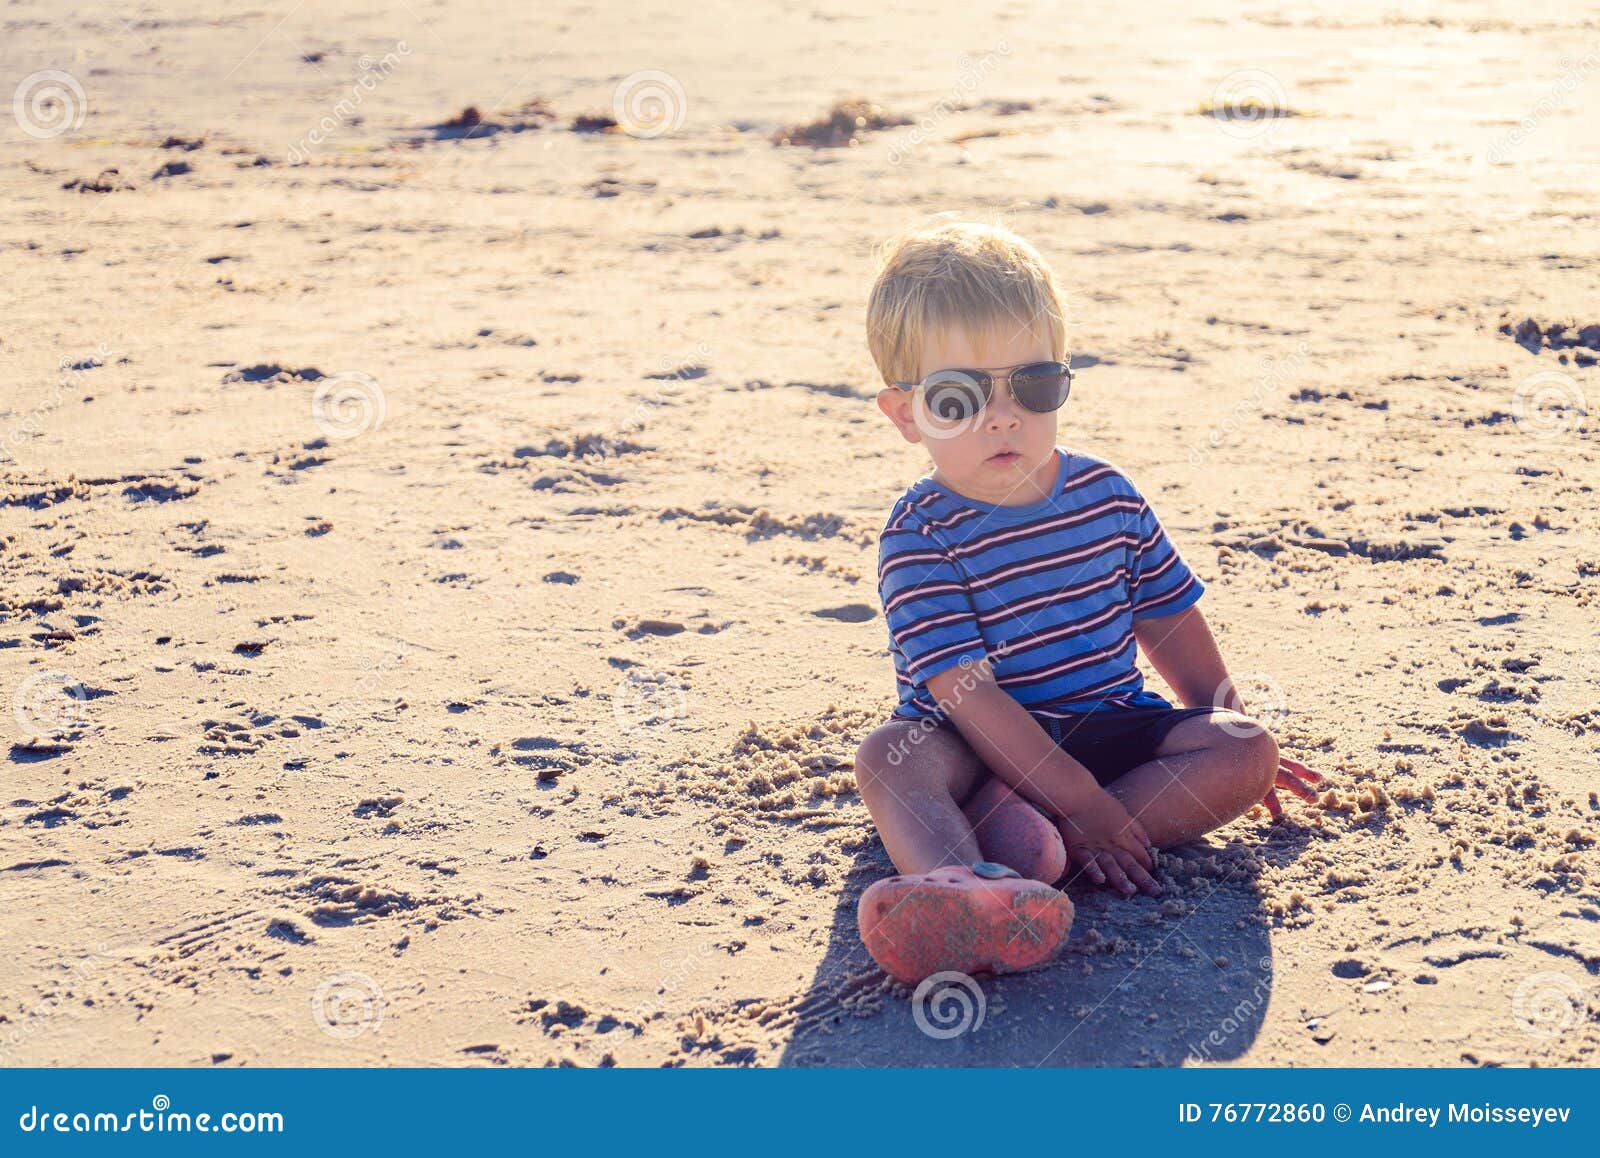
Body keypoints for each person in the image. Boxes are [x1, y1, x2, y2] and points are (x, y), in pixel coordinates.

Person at [853, 214, 1323, 985]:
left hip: (1104, 727)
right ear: (906, 415)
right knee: (887, 761)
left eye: (1032, 384)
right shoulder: (920, 535)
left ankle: (1046, 845)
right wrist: (1088, 800)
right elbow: (971, 700)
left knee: (1246, 749)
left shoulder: (1107, 496)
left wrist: (1220, 718)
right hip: (971, 747)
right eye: (957, 397)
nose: (1003, 415)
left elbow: (1169, 619)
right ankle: (956, 885)